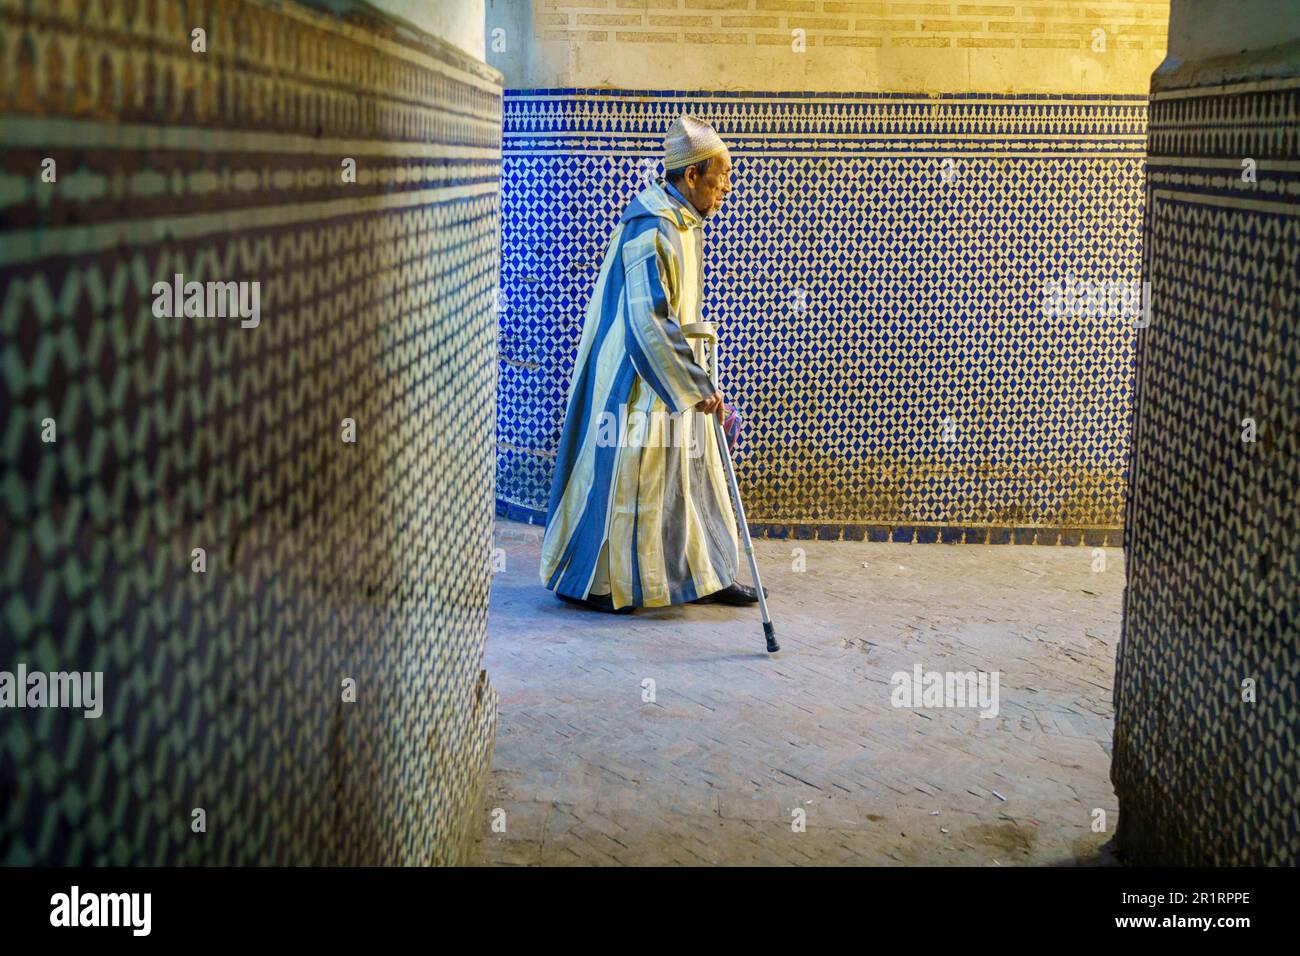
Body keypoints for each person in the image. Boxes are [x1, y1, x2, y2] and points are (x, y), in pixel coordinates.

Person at [539, 115, 765, 614]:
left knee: (690, 476)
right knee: (629, 478)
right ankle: (601, 586)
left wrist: (696, 373)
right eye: (720, 176)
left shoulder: (683, 219)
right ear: (690, 176)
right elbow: (646, 320)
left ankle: (705, 576)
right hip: (637, 377)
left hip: (676, 369)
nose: (727, 187)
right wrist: (693, 383)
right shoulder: (652, 225)